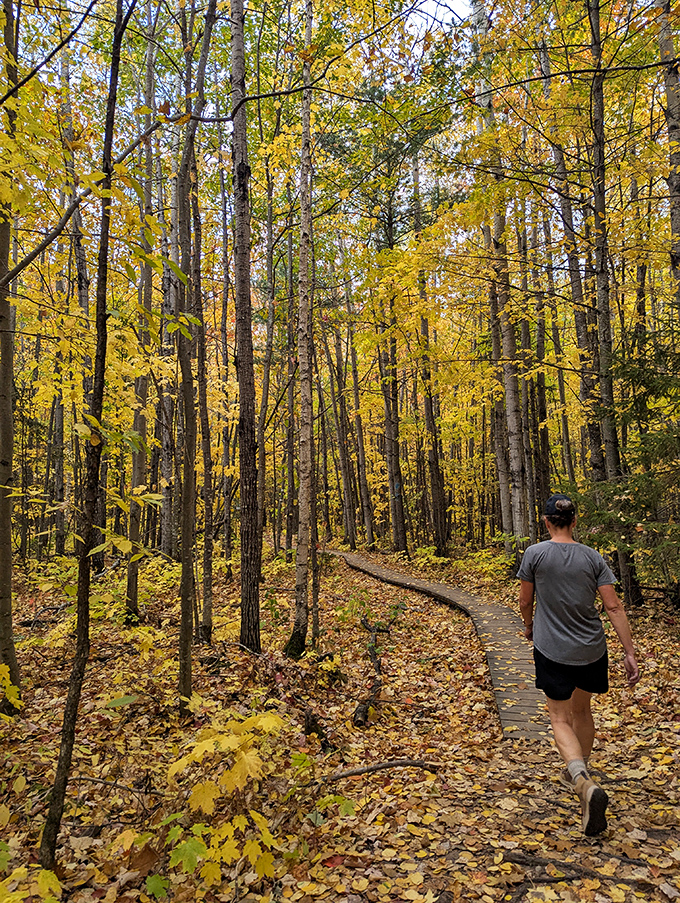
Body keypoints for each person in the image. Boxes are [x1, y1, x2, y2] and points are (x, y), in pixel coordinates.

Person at [517, 493, 640, 835]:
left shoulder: (535, 555)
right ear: (574, 522)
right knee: (582, 713)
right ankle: (581, 770)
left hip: (551, 647)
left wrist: (528, 626)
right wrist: (629, 652)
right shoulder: (593, 557)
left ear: (545, 522)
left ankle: (581, 780)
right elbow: (614, 608)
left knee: (558, 716)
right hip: (591, 649)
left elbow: (526, 599)